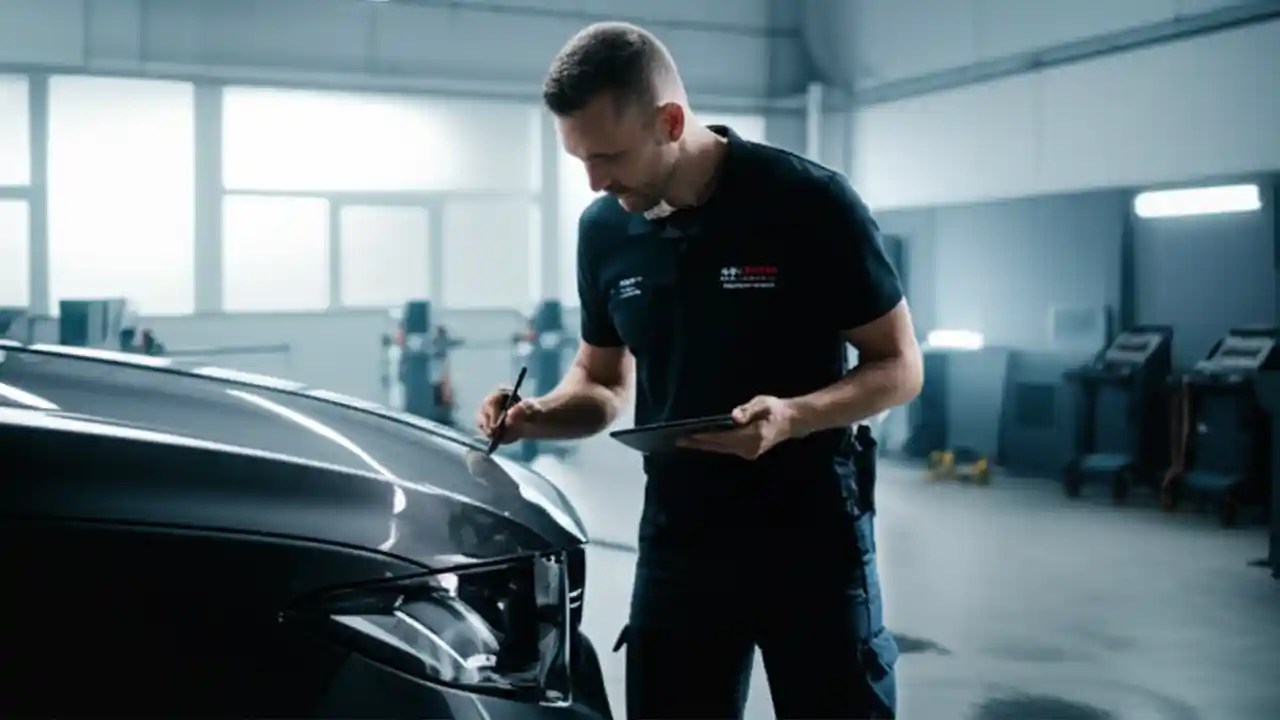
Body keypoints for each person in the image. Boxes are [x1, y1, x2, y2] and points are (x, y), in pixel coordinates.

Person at [476, 21, 924, 720]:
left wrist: (793, 416)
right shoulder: (605, 230)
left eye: (609, 156)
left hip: (811, 532)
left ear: (670, 122)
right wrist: (539, 415)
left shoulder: (807, 203)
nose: (595, 182)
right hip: (681, 539)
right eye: (580, 160)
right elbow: (602, 383)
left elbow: (899, 365)